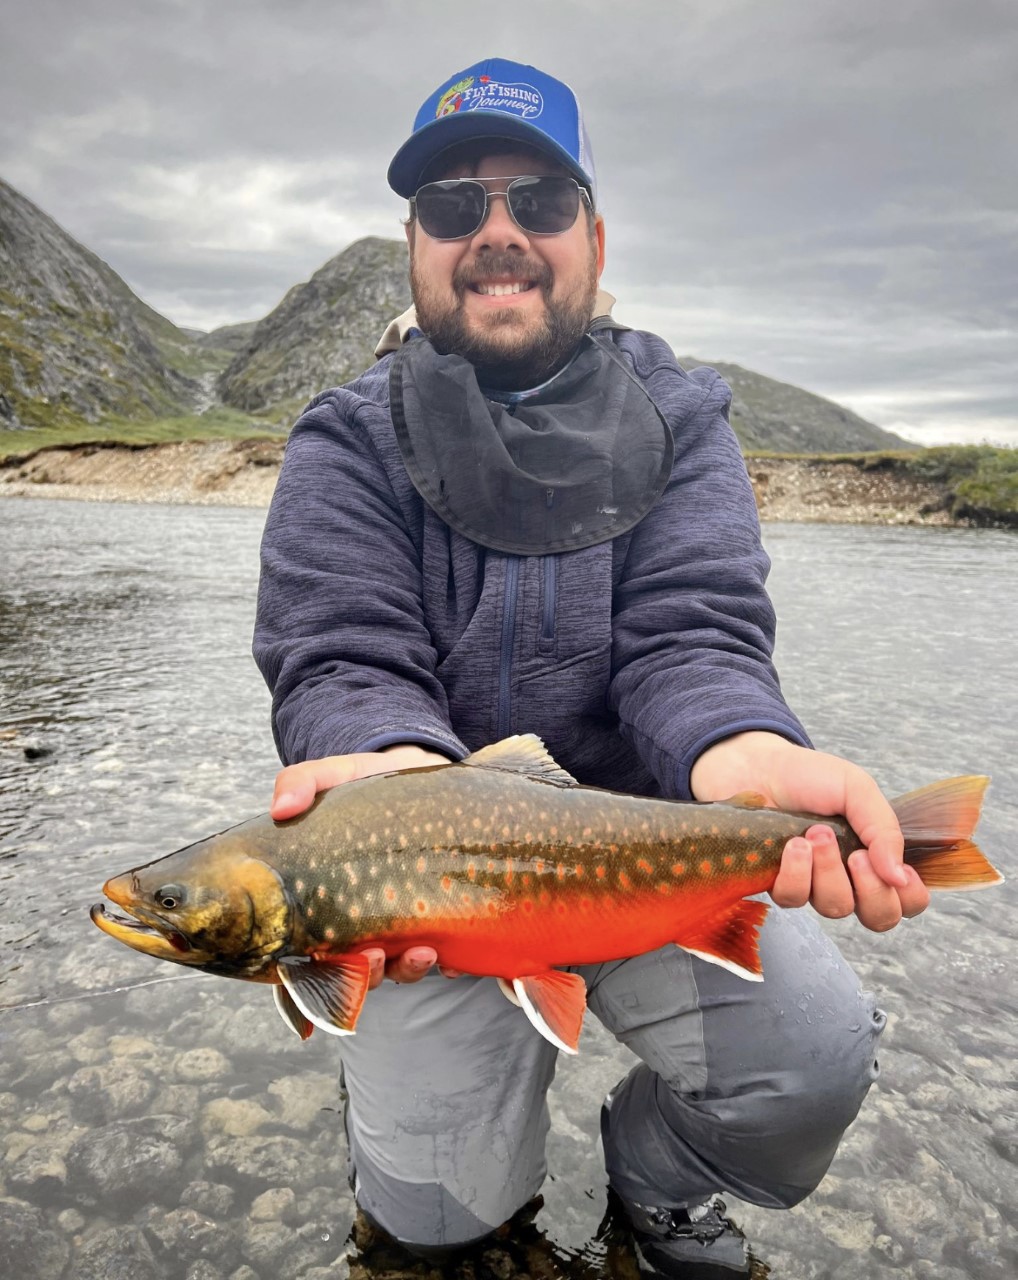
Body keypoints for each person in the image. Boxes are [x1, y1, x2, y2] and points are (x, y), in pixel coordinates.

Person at [253, 58, 930, 1278]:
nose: (497, 234)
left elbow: (694, 637)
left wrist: (754, 755)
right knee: (434, 1232)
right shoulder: (344, 438)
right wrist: (406, 809)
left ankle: (657, 1187)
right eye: (455, 208)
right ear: (411, 242)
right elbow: (342, 655)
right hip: (432, 893)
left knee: (815, 1060)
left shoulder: (684, 418)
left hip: (644, 848)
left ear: (593, 236)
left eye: (538, 205)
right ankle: (474, 1220)